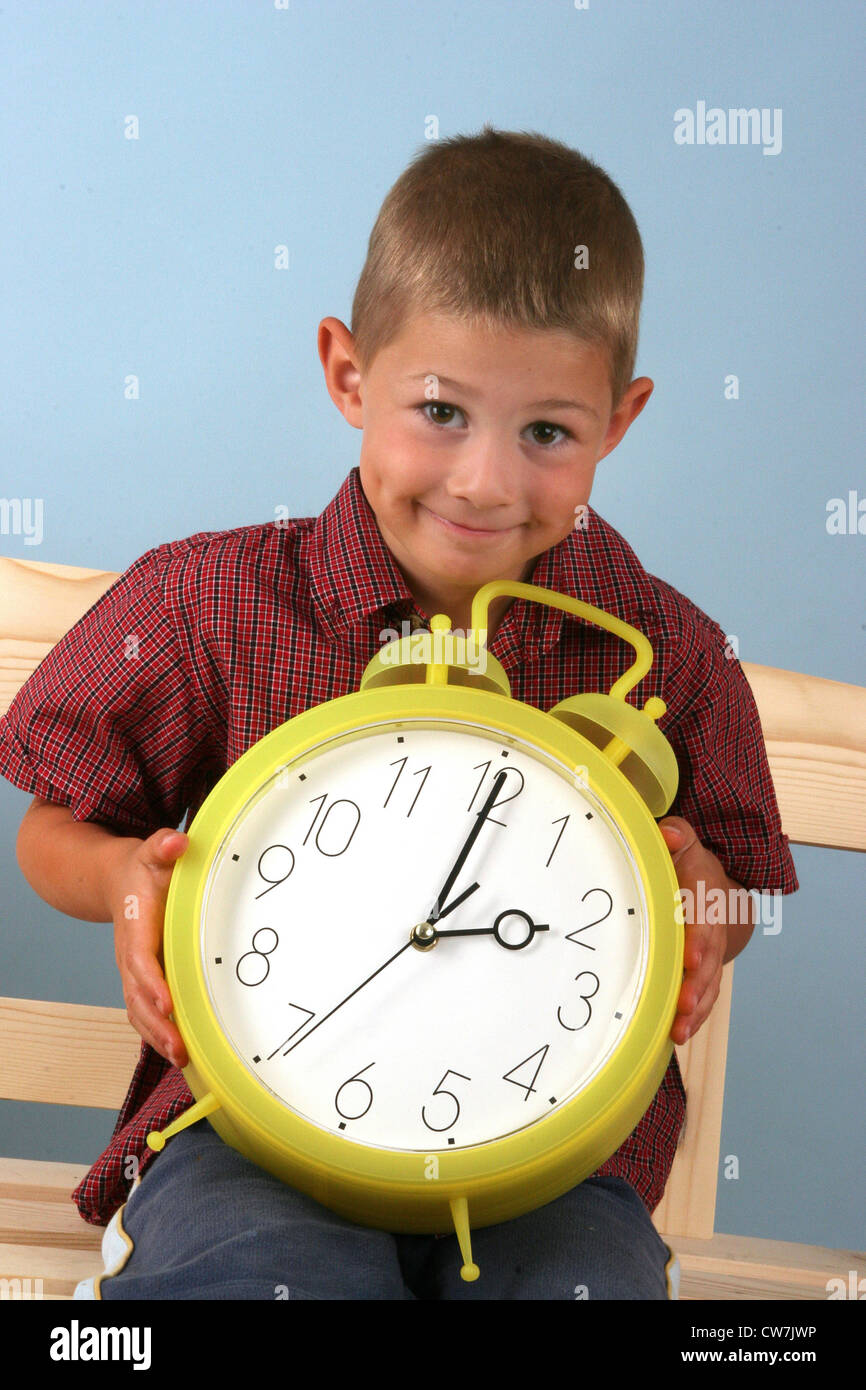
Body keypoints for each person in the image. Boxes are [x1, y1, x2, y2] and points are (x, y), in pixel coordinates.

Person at [1, 126, 798, 1300]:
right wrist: (126, 878)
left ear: (617, 421)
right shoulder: (205, 604)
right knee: (265, 1275)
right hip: (252, 1128)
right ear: (347, 373)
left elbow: (737, 894)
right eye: (439, 411)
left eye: (545, 432)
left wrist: (701, 904)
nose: (484, 480)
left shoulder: (668, 652)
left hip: (552, 1160)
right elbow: (51, 830)